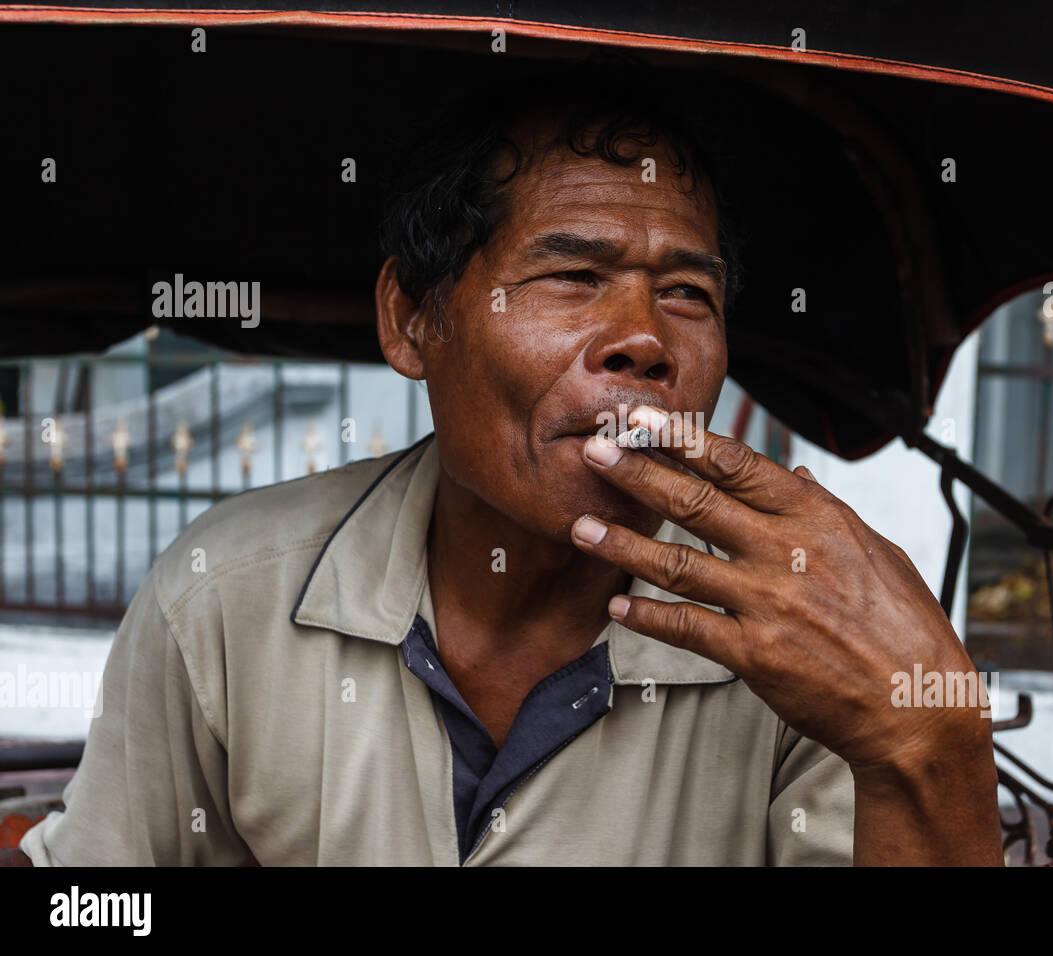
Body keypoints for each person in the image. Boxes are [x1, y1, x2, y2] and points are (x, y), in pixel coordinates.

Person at [7, 60, 1001, 866]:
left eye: (688, 295)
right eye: (576, 276)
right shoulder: (224, 594)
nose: (643, 340)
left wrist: (933, 742)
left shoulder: (804, 642)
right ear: (411, 317)